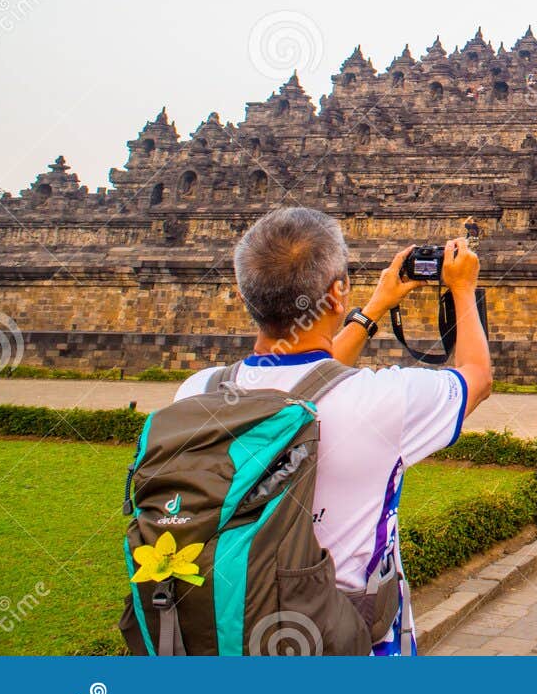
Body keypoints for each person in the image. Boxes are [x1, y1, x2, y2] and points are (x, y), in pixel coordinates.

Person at [173, 207, 492, 654]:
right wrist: (462, 289)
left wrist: (376, 307)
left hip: (222, 631)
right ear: (337, 295)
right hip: (344, 636)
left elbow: (309, 382)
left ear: (248, 297)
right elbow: (476, 377)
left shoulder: (198, 393)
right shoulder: (382, 402)